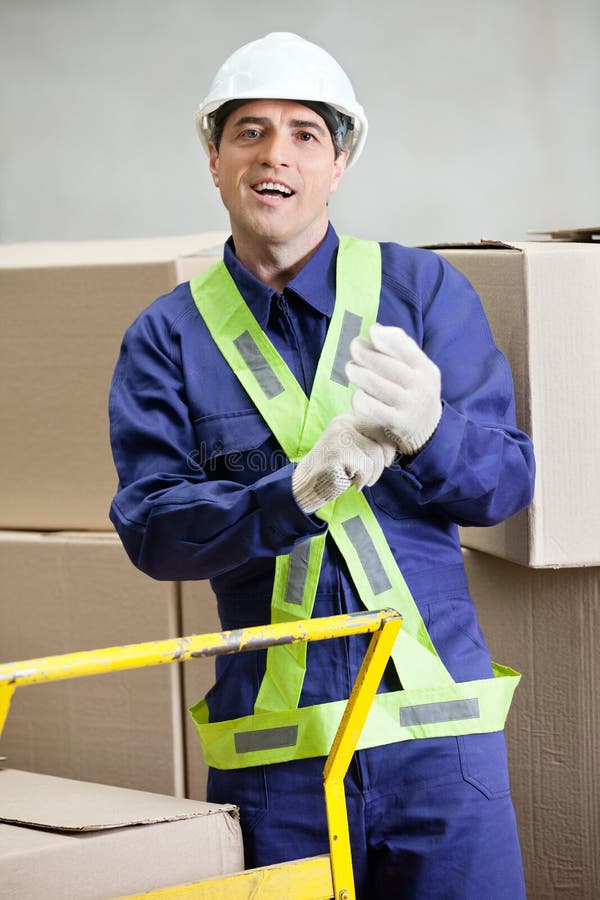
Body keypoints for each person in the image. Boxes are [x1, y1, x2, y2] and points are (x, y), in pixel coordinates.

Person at [109, 32, 535, 899]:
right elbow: (153, 532)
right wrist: (289, 492)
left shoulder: (424, 292)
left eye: (306, 133)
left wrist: (432, 431)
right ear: (216, 160)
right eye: (251, 132)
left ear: (340, 163)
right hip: (277, 776)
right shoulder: (166, 337)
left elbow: (508, 485)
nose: (277, 155)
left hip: (439, 758)